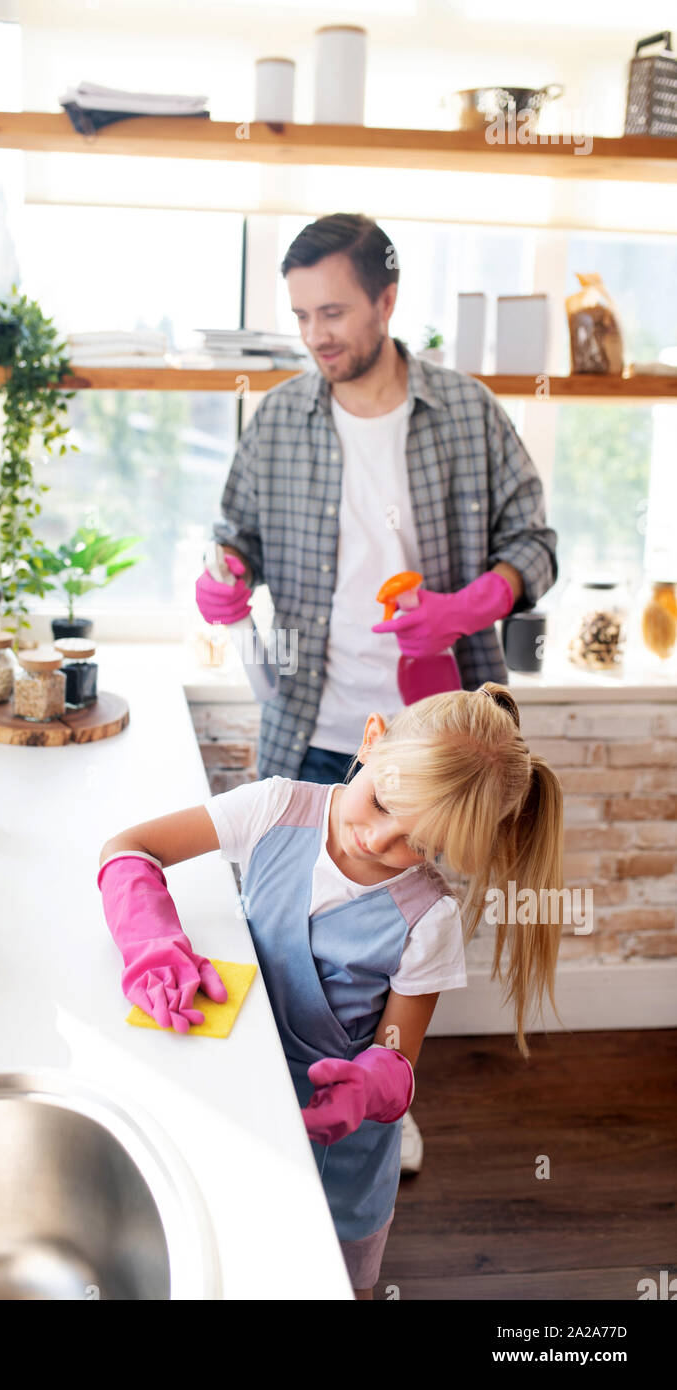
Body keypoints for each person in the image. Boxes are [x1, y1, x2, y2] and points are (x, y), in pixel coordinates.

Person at [194, 212, 559, 1173]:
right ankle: (277, 1085)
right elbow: (234, 533)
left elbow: (537, 545)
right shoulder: (280, 416)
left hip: (429, 731)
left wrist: (478, 600)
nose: (317, 334)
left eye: (335, 311)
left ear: (386, 302)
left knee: (403, 918)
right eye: (302, 314)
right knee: (288, 915)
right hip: (313, 716)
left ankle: (387, 1082)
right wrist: (224, 573)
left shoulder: (467, 411)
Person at [98, 682, 565, 1299]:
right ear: (372, 741)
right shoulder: (274, 809)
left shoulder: (429, 919)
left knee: (334, 1284)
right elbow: (128, 850)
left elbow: (398, 1055)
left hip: (340, 1152)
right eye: (380, 804)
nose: (379, 842)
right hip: (238, 1096)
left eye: (420, 845)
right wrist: (153, 942)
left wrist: (369, 1085)